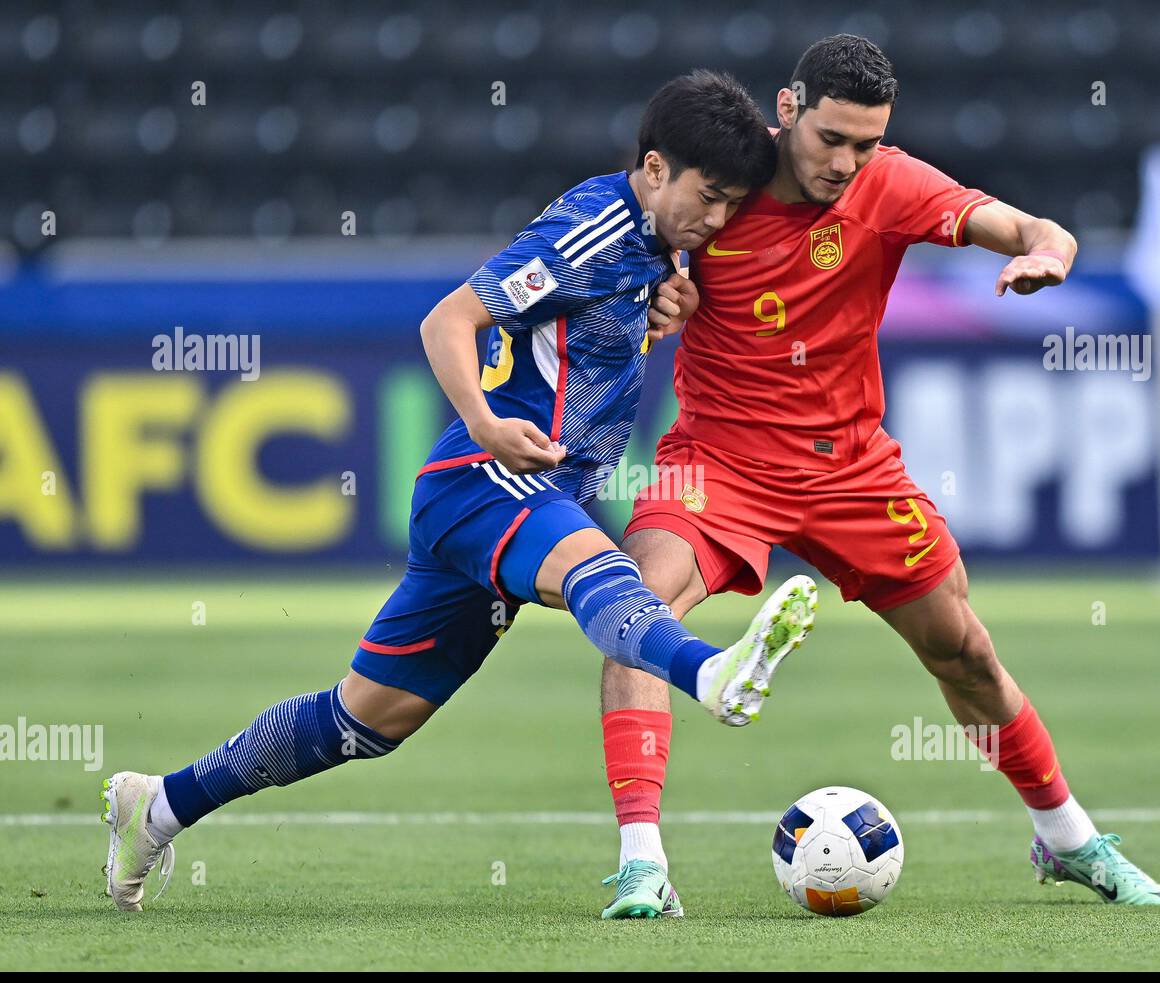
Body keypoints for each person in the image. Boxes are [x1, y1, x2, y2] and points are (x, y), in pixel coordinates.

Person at [100, 70, 817, 914]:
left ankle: (159, 805)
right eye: (709, 197)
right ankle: (708, 673)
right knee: (605, 571)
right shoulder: (590, 228)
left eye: (733, 204)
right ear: (655, 168)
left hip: (509, 494)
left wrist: (668, 299)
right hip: (486, 475)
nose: (718, 219)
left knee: (366, 721)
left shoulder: (659, 242)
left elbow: (598, 309)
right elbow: (447, 320)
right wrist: (480, 419)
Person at [597, 36, 1160, 918]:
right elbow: (641, 247)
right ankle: (642, 864)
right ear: (788, 110)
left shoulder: (891, 184)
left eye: (865, 144)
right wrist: (657, 301)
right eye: (832, 138)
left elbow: (1029, 226)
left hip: (851, 469)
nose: (846, 163)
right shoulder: (726, 179)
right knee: (636, 611)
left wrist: (1047, 254)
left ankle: (1067, 839)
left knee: (965, 651)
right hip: (718, 461)